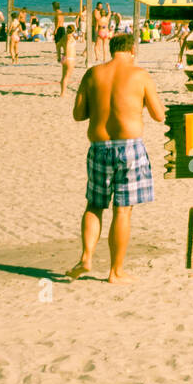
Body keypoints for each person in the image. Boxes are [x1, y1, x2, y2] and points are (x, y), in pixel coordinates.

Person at [68, 32, 163, 284]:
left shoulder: (93, 73)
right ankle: (116, 271)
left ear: (112, 50)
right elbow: (159, 115)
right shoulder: (140, 74)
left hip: (99, 146)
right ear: (133, 50)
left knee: (95, 205)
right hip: (130, 148)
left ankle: (86, 257)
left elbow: (78, 114)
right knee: (123, 211)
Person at [58, 24, 78, 96]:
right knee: (66, 77)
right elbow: (66, 44)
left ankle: (62, 92)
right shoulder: (69, 38)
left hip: (64, 57)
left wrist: (58, 56)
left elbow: (58, 45)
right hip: (70, 58)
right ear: (73, 30)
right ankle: (62, 93)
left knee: (64, 76)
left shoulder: (64, 37)